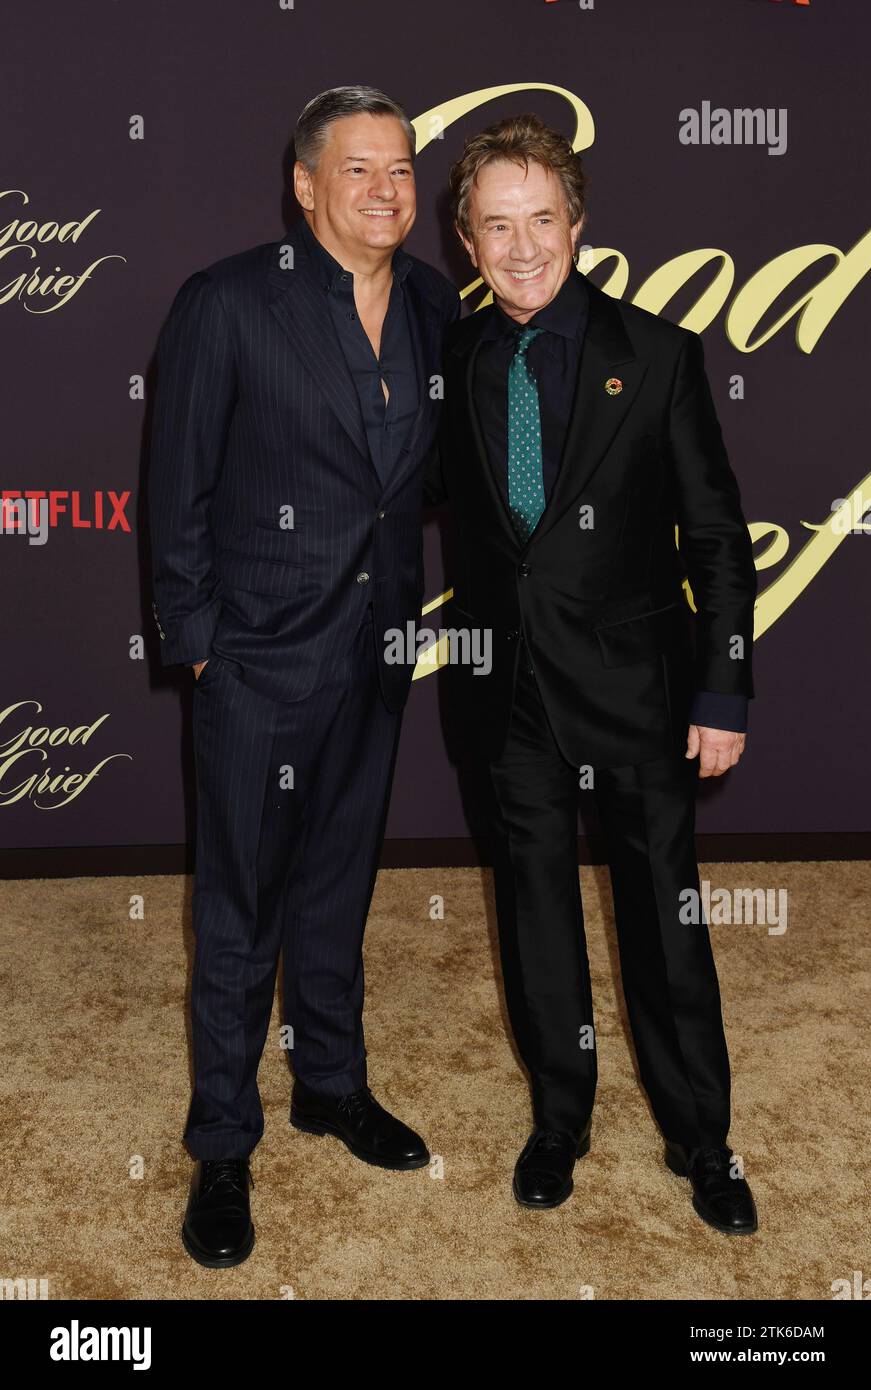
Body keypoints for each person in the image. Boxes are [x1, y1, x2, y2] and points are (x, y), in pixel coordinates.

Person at [425, 114, 759, 1233]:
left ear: (577, 224)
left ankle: (701, 1138)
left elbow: (713, 536)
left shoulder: (656, 355)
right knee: (534, 918)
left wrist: (720, 691)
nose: (522, 249)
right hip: (507, 697)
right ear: (464, 244)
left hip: (639, 695)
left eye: (542, 221)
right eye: (495, 227)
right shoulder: (453, 362)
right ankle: (558, 1116)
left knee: (662, 921)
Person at [149, 86, 459, 1267]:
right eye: (358, 170)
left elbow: (425, 478)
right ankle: (223, 1141)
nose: (386, 192)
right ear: (304, 184)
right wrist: (198, 643)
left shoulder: (434, 304)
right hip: (256, 664)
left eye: (399, 171)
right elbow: (175, 484)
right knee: (238, 913)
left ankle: (329, 1086)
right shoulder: (227, 303)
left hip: (378, 650)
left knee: (336, 889)